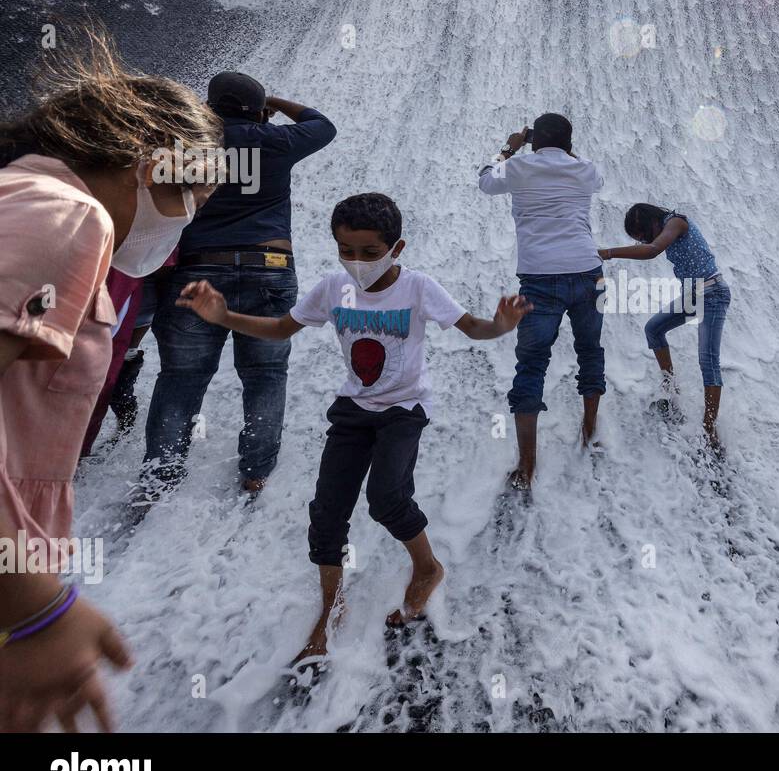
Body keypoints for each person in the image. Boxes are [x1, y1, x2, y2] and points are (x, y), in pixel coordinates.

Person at [173, 193, 531, 666]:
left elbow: (473, 329)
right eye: (345, 249)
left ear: (396, 248)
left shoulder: (420, 288)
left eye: (368, 251)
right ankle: (330, 605)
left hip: (405, 408)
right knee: (326, 511)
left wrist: (502, 326)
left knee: (387, 498)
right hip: (353, 408)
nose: (356, 262)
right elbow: (281, 328)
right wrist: (223, 318)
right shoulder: (331, 288)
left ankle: (427, 568)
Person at [0, 23, 222, 729]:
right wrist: (34, 609)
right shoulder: (65, 214)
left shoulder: (33, 204)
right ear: (151, 165)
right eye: (192, 199)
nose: (184, 223)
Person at [142, 71, 337, 501]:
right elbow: (324, 126)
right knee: (266, 374)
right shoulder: (275, 141)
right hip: (267, 266)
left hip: (196, 270)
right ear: (258, 110)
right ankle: (255, 472)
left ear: (210, 108)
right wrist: (276, 103)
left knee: (180, 378)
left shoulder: (185, 144)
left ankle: (160, 476)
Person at [477, 113, 605, 490]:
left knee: (531, 366)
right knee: (590, 351)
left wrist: (509, 147)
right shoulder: (585, 169)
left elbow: (485, 182)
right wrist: (562, 149)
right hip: (588, 273)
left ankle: (527, 466)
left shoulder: (518, 165)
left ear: (534, 142)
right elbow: (587, 172)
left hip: (539, 278)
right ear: (568, 142)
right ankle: (589, 432)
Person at [599, 203, 731, 452]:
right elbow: (649, 247)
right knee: (653, 329)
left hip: (713, 293)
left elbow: (652, 250)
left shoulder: (677, 222)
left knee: (708, 360)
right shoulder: (664, 229)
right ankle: (671, 391)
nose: (644, 240)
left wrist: (607, 253)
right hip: (694, 295)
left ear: (652, 220)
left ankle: (709, 429)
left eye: (643, 234)